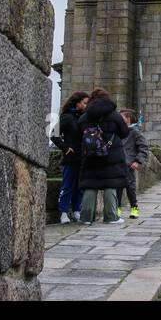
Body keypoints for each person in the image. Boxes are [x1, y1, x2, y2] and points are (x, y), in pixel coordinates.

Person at [77, 88, 130, 225]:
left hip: (90, 156)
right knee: (110, 184)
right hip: (111, 155)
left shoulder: (84, 117)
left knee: (90, 184)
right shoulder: (114, 115)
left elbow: (79, 134)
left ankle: (86, 217)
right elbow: (124, 133)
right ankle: (111, 217)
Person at [51, 91, 88, 223]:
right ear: (77, 103)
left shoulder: (85, 118)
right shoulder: (67, 117)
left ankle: (77, 210)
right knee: (67, 186)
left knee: (80, 186)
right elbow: (53, 134)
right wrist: (65, 148)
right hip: (71, 157)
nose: (86, 105)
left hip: (83, 157)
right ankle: (63, 212)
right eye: (84, 103)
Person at [119, 109, 150, 218]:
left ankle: (134, 207)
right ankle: (117, 209)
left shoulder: (135, 132)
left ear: (127, 119)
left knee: (130, 187)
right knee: (117, 187)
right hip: (118, 163)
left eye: (121, 117)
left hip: (129, 163)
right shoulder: (118, 131)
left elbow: (144, 147)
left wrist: (137, 161)